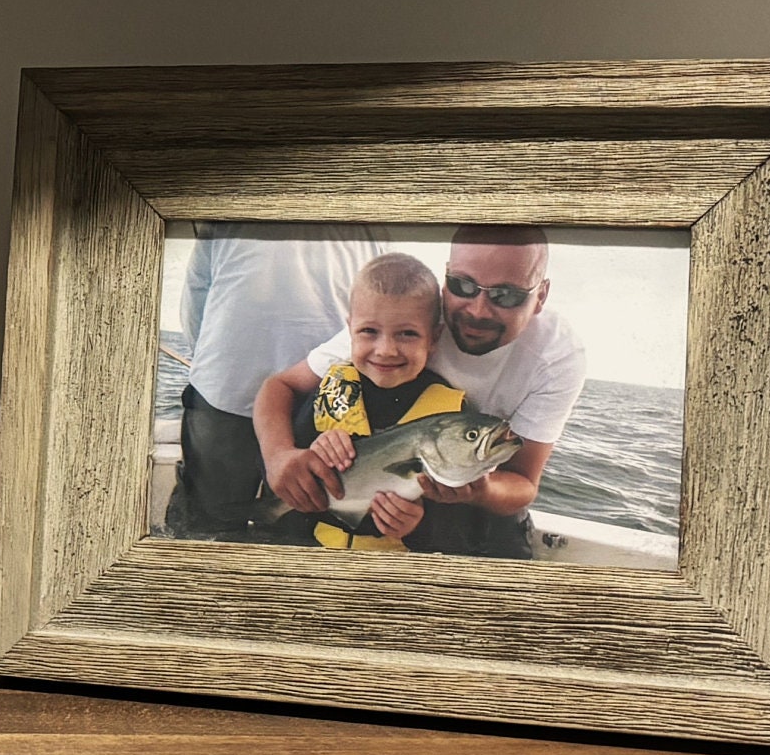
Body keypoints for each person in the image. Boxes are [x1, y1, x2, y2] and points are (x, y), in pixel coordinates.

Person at [255, 224, 586, 558]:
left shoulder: (556, 356)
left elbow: (523, 482)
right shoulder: (403, 316)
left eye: (506, 295)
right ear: (446, 278)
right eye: (463, 285)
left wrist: (480, 490)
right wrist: (279, 456)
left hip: (472, 488)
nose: (478, 310)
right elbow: (280, 386)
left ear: (541, 295)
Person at [162, 225, 383, 539]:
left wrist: (209, 360)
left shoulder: (225, 213)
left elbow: (197, 290)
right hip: (313, 396)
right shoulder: (370, 221)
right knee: (292, 525)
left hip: (224, 387)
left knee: (205, 524)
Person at [245, 253, 472, 551]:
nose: (386, 350)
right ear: (350, 329)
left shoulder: (453, 418)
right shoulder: (331, 387)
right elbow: (285, 467)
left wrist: (417, 527)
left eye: (407, 334)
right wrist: (309, 452)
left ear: (434, 337)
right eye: (369, 331)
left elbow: (458, 528)